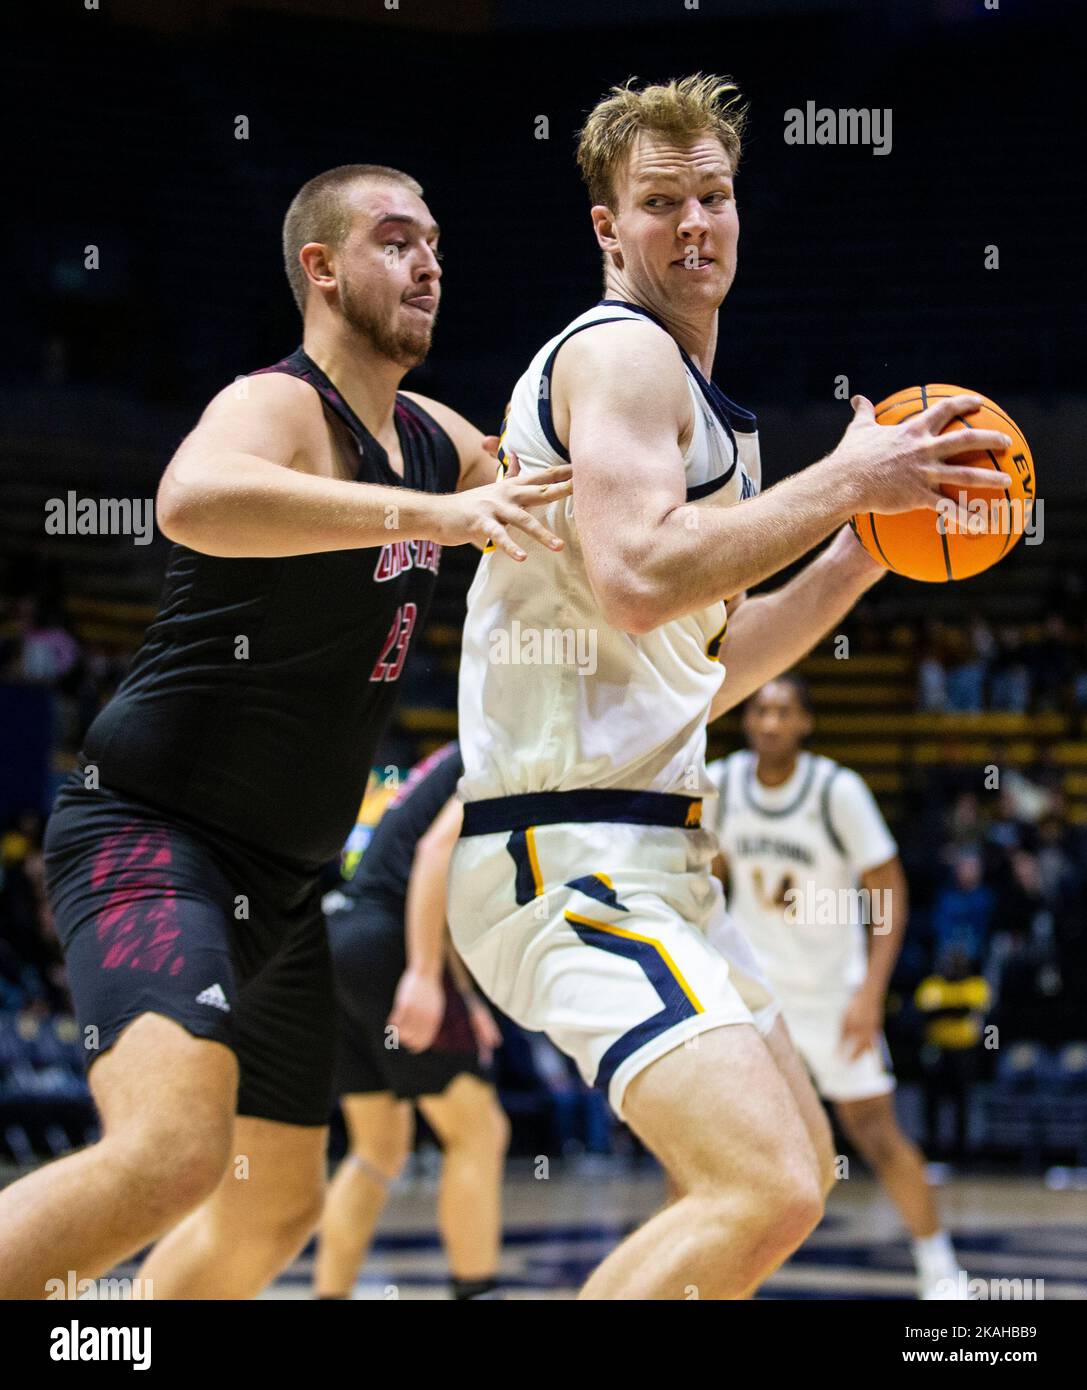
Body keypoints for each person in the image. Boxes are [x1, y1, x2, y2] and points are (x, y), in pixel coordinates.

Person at [445, 73, 1011, 1300]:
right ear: (607, 226)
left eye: (714, 195)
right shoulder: (621, 353)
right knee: (768, 1182)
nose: (695, 223)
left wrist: (860, 548)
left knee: (793, 1170)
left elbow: (706, 664)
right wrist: (845, 482)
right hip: (565, 850)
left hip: (643, 849)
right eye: (660, 203)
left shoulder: (699, 408)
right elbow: (641, 576)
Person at [0, 163, 569, 1300]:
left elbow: (580, 506)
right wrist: (441, 514)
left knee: (275, 1204)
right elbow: (191, 497)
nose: (429, 263)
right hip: (154, 838)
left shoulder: (434, 434)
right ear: (319, 267)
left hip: (287, 887)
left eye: (436, 243)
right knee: (170, 1155)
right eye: (396, 240)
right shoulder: (279, 405)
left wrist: (836, 512)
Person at [708, 675, 968, 1299]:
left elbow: (889, 891)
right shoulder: (719, 784)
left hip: (832, 995)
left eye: (784, 711)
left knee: (875, 1133)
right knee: (716, 1139)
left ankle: (941, 1272)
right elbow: (707, 874)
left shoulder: (836, 790)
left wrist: (870, 993)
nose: (770, 721)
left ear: (805, 723)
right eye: (761, 709)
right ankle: (706, 1279)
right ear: (747, 720)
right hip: (755, 996)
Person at [314, 742, 509, 1301]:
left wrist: (464, 995)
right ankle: (477, 1290)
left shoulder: (457, 750)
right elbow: (433, 855)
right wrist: (424, 972)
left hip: (340, 938)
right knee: (480, 1132)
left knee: (377, 1147)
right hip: (389, 945)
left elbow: (438, 882)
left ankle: (330, 1296)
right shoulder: (507, 744)